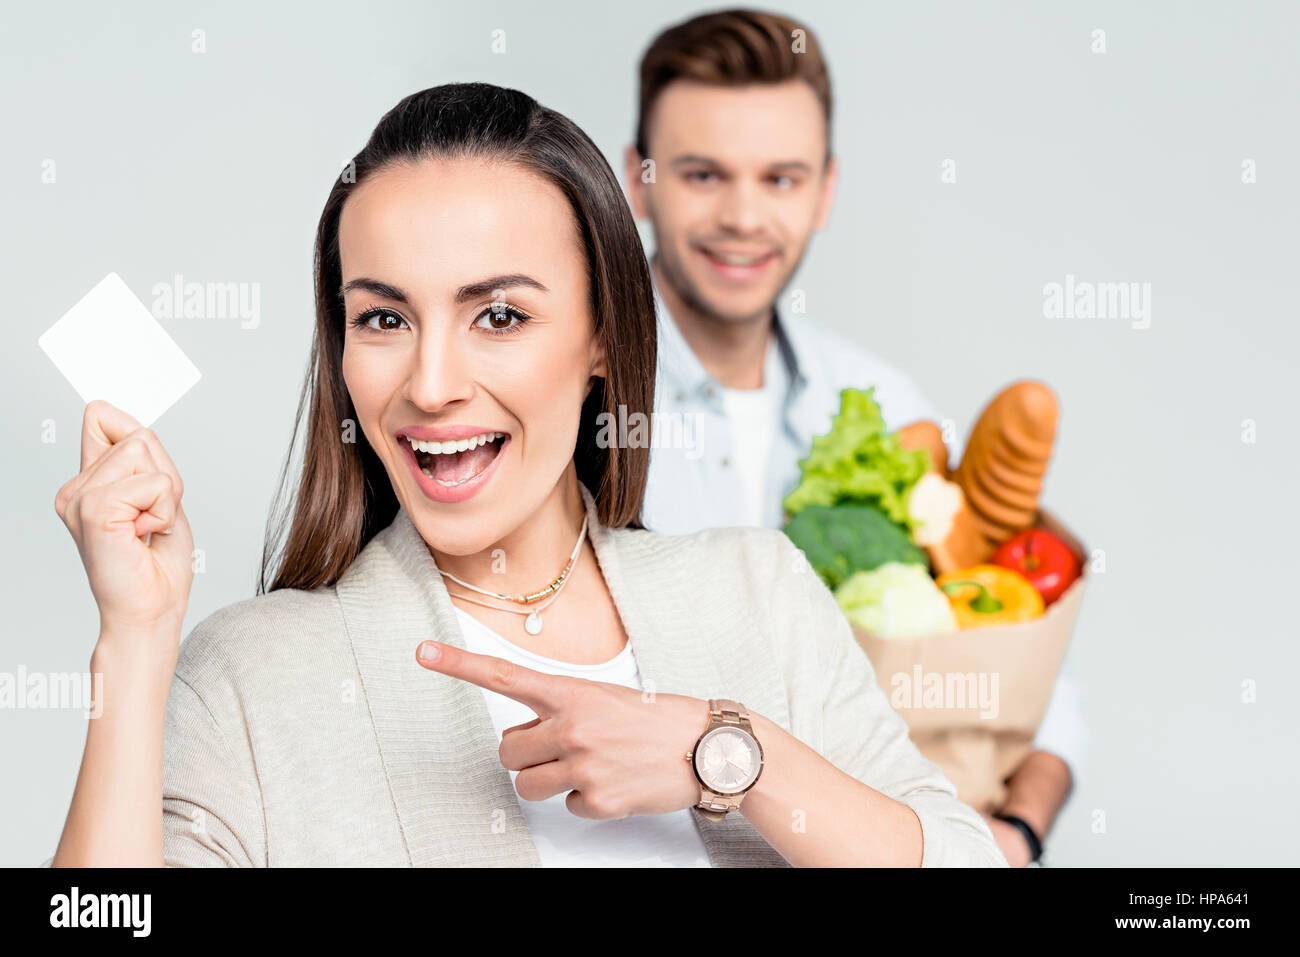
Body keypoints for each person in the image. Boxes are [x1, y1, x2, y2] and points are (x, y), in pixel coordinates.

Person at [46, 82, 1005, 867]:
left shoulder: (759, 595)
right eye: (383, 318)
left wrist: (724, 754)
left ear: (600, 337)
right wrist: (132, 644)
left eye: (497, 316)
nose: (429, 385)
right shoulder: (256, 676)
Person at [622, 9, 1084, 866]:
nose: (743, 216)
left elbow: (1038, 692)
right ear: (639, 180)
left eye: (782, 178)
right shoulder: (571, 404)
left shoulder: (886, 403)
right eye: (702, 174)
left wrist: (1014, 835)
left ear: (827, 190)